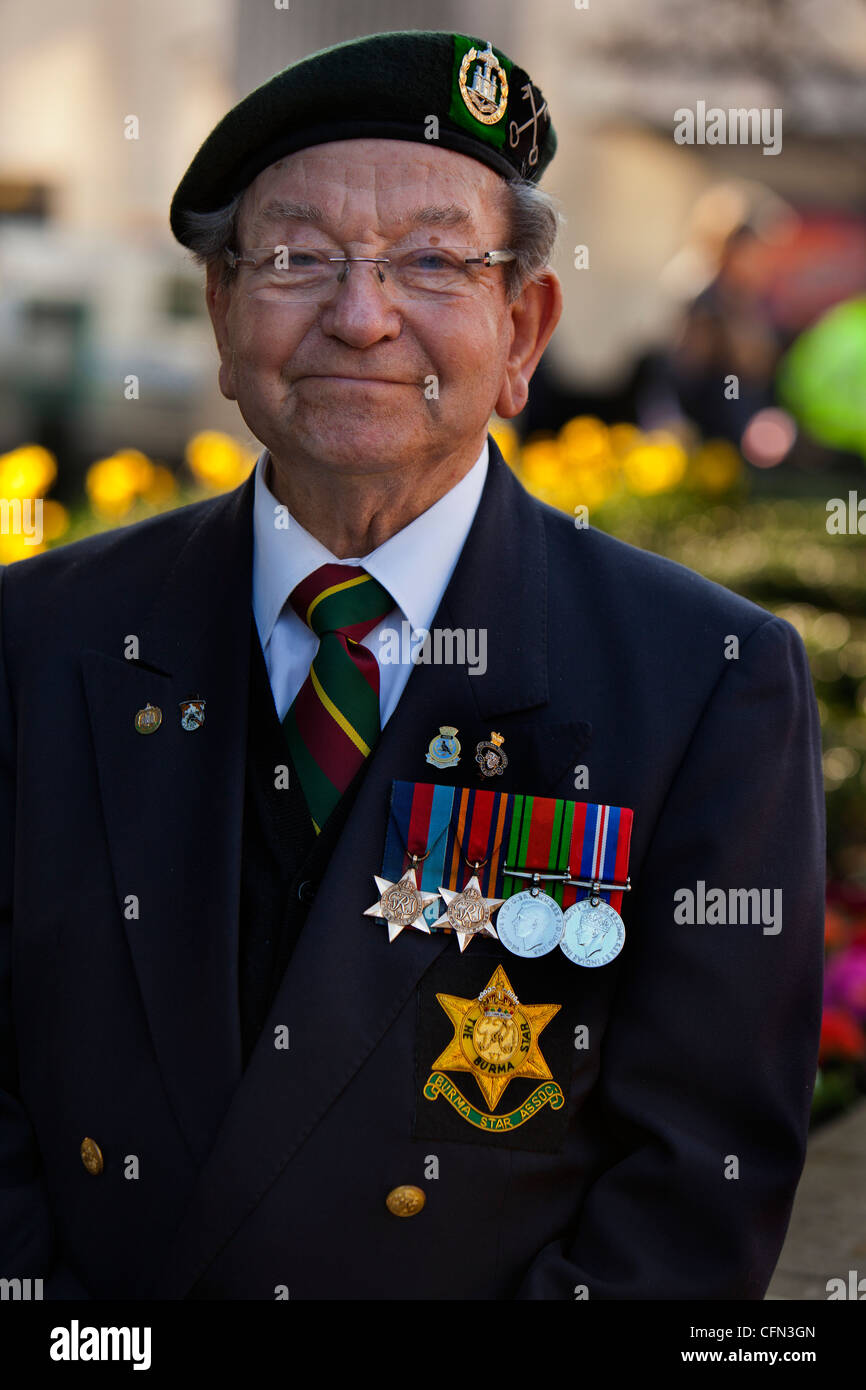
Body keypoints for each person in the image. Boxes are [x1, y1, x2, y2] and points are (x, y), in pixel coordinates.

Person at [0, 30, 824, 1301]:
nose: (360, 314)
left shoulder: (704, 678)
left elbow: (691, 1183)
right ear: (221, 314)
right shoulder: (39, 640)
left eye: (432, 260)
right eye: (293, 259)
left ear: (522, 330)